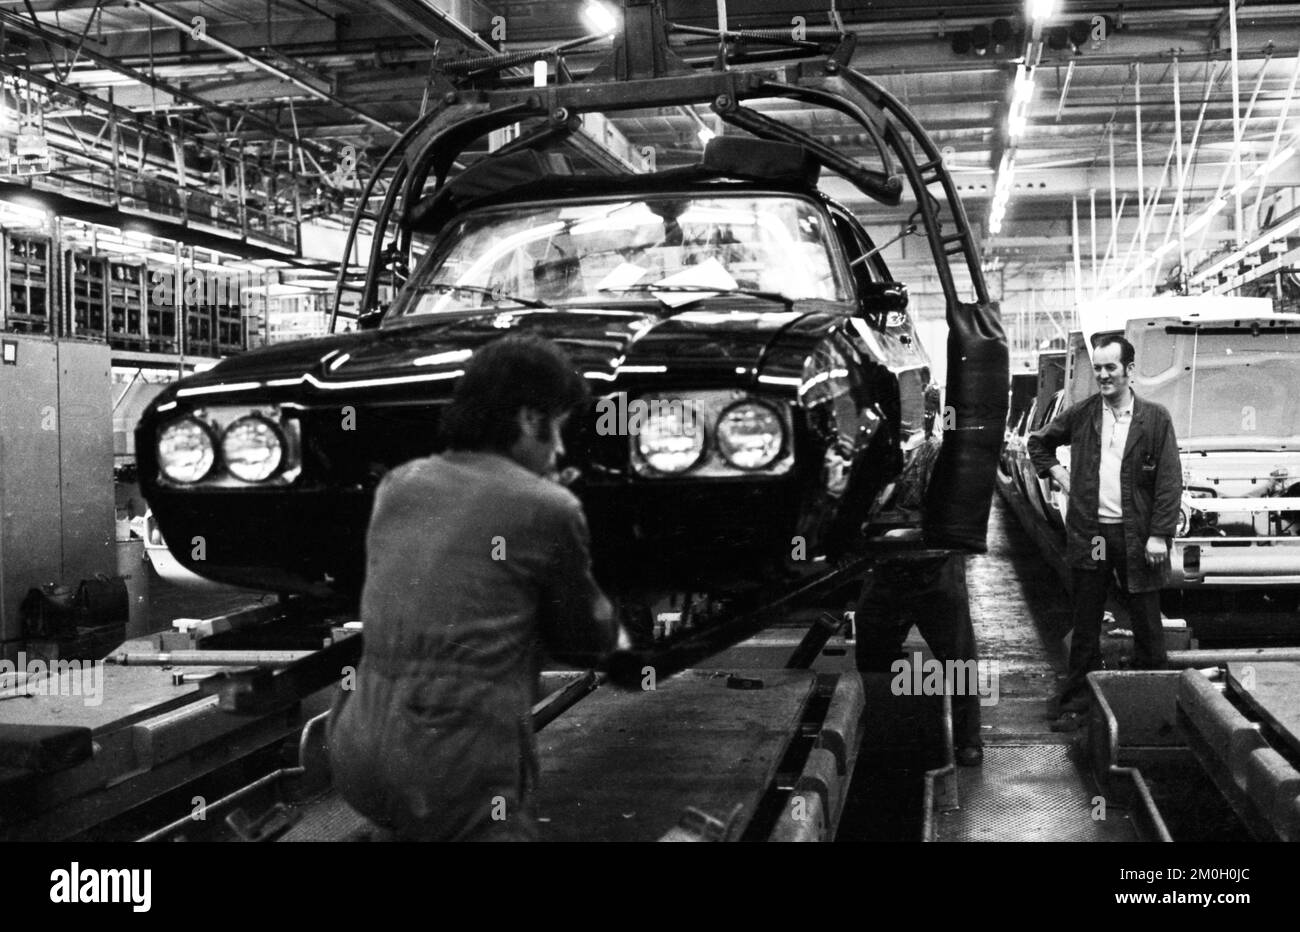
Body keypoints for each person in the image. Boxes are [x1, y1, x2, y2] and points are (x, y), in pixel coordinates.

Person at [328, 333, 620, 840]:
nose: (562, 449)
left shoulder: (400, 482)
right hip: (454, 757)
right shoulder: (550, 505)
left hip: (359, 740)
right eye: (559, 429)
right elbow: (584, 637)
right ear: (530, 419)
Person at [1028, 333, 1182, 732]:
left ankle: (1153, 703)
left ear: (1130, 370)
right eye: (1098, 368)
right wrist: (1060, 475)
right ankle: (1078, 701)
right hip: (1094, 533)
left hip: (1136, 535)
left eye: (1110, 367)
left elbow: (1168, 481)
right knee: (1087, 617)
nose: (1103, 375)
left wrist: (1159, 534)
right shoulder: (1083, 414)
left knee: (1148, 620)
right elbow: (1038, 443)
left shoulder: (1155, 418)